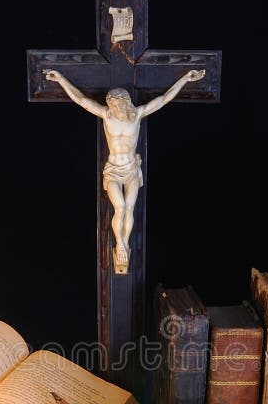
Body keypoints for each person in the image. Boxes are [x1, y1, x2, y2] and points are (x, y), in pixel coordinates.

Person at [44, 68, 205, 273]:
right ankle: (120, 243)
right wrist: (60, 80)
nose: (113, 107)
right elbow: (81, 100)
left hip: (130, 169)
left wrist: (185, 79)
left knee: (128, 207)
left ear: (123, 102)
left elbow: (164, 99)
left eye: (116, 104)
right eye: (111, 103)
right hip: (112, 170)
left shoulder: (136, 114)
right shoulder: (106, 114)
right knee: (119, 207)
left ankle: (124, 244)